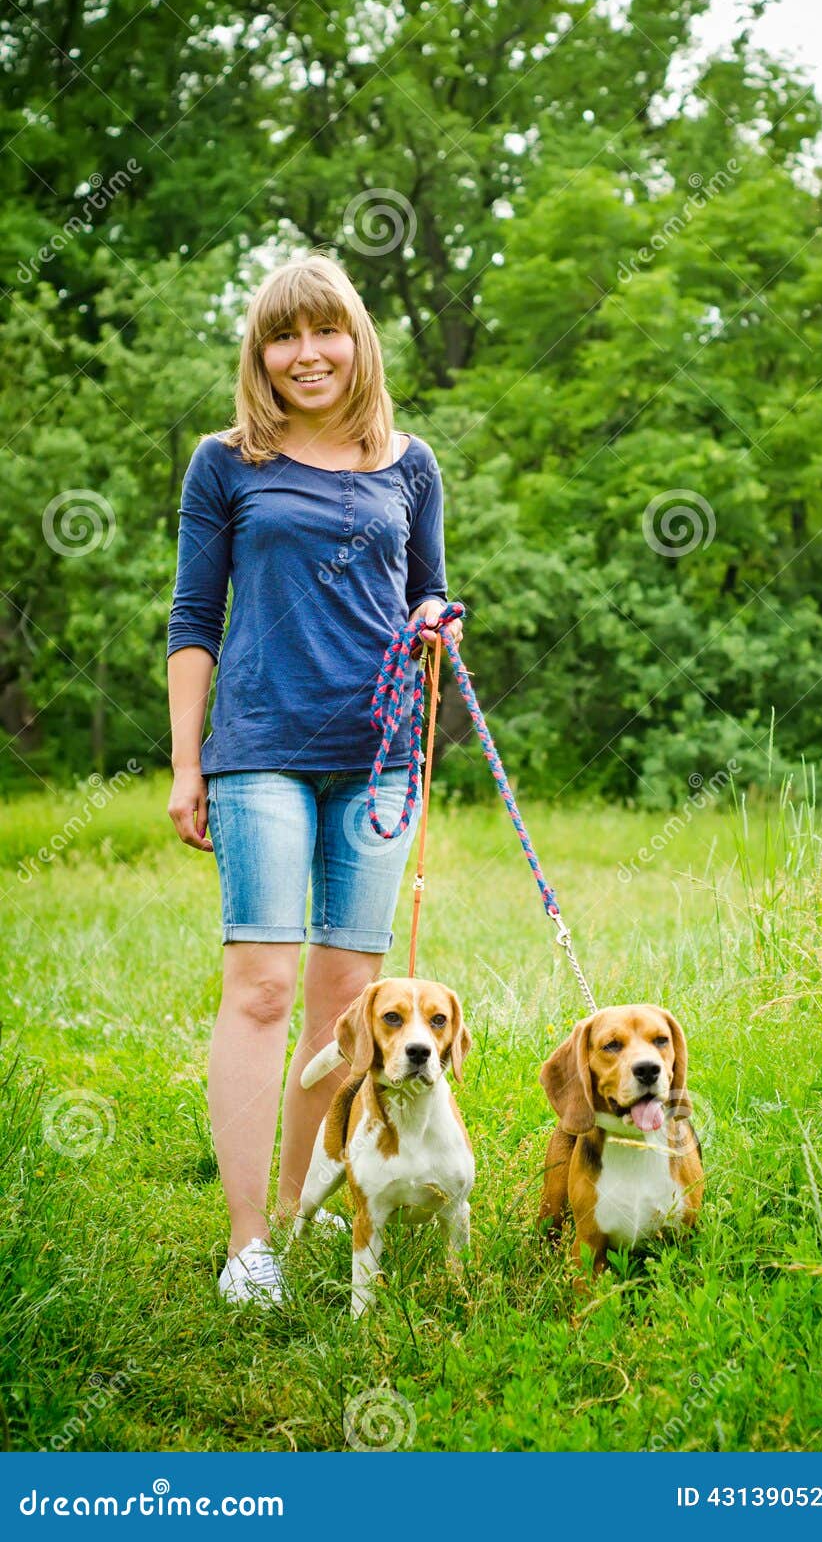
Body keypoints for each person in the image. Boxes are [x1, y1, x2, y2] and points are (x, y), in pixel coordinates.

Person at [165, 252, 462, 1306]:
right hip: (260, 750)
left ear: (356, 340)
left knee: (349, 1005)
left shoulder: (409, 464)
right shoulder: (228, 462)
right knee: (261, 989)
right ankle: (247, 1244)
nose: (305, 355)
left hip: (380, 757)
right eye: (283, 337)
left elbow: (428, 590)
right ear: (262, 352)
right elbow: (194, 620)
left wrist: (438, 618)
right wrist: (184, 759)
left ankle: (299, 1215)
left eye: (323, 332)